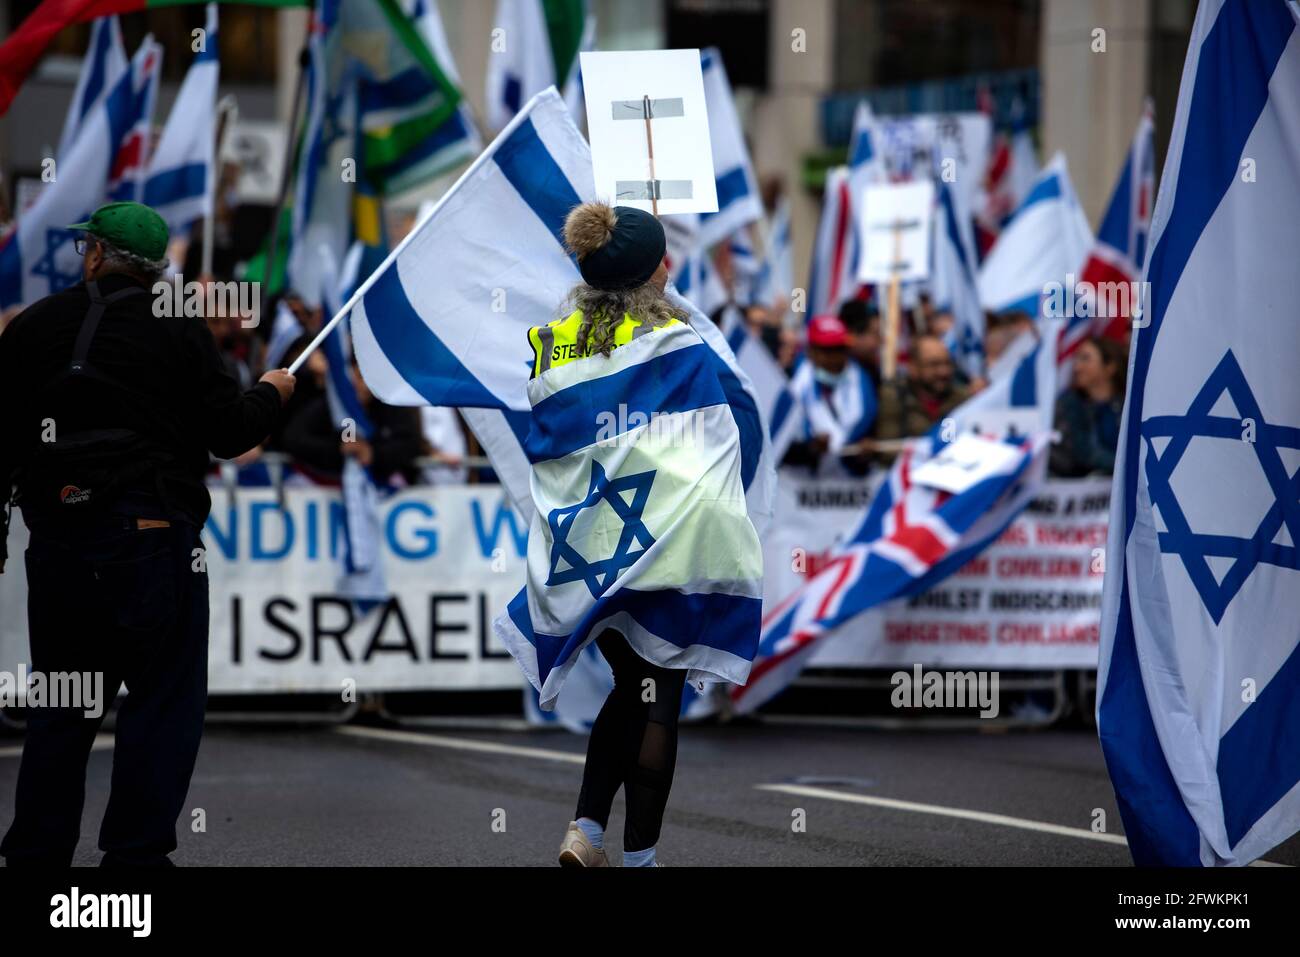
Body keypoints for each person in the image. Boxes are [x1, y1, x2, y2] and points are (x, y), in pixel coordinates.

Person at [0, 202, 293, 867]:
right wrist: (274, 390)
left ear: (97, 254)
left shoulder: (32, 327)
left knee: (61, 706)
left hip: (58, 543)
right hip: (152, 538)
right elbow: (229, 432)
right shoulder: (177, 326)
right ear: (155, 270)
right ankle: (133, 862)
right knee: (161, 699)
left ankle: (35, 856)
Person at [517, 202, 761, 867]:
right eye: (662, 257)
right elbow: (724, 424)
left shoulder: (551, 338)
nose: (670, 264)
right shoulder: (676, 341)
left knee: (632, 685)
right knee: (659, 695)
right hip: (669, 540)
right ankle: (640, 858)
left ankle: (587, 832)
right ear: (654, 271)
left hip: (591, 542)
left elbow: (557, 437)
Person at [783, 314, 877, 476]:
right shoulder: (789, 381)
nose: (835, 357)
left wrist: (864, 451)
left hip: (849, 488)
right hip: (797, 487)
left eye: (840, 349)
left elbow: (873, 434)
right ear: (811, 351)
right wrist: (810, 449)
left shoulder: (867, 380)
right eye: (828, 350)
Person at [875, 334, 971, 465]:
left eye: (947, 363)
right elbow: (887, 449)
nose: (943, 372)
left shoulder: (963, 398)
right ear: (913, 368)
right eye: (934, 365)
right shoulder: (895, 396)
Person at [1050, 336, 1127, 477]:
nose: (1077, 367)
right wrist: (1127, 467)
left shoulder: (1127, 407)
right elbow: (1083, 452)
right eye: (1076, 359)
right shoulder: (1069, 404)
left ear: (1110, 367)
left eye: (1085, 359)